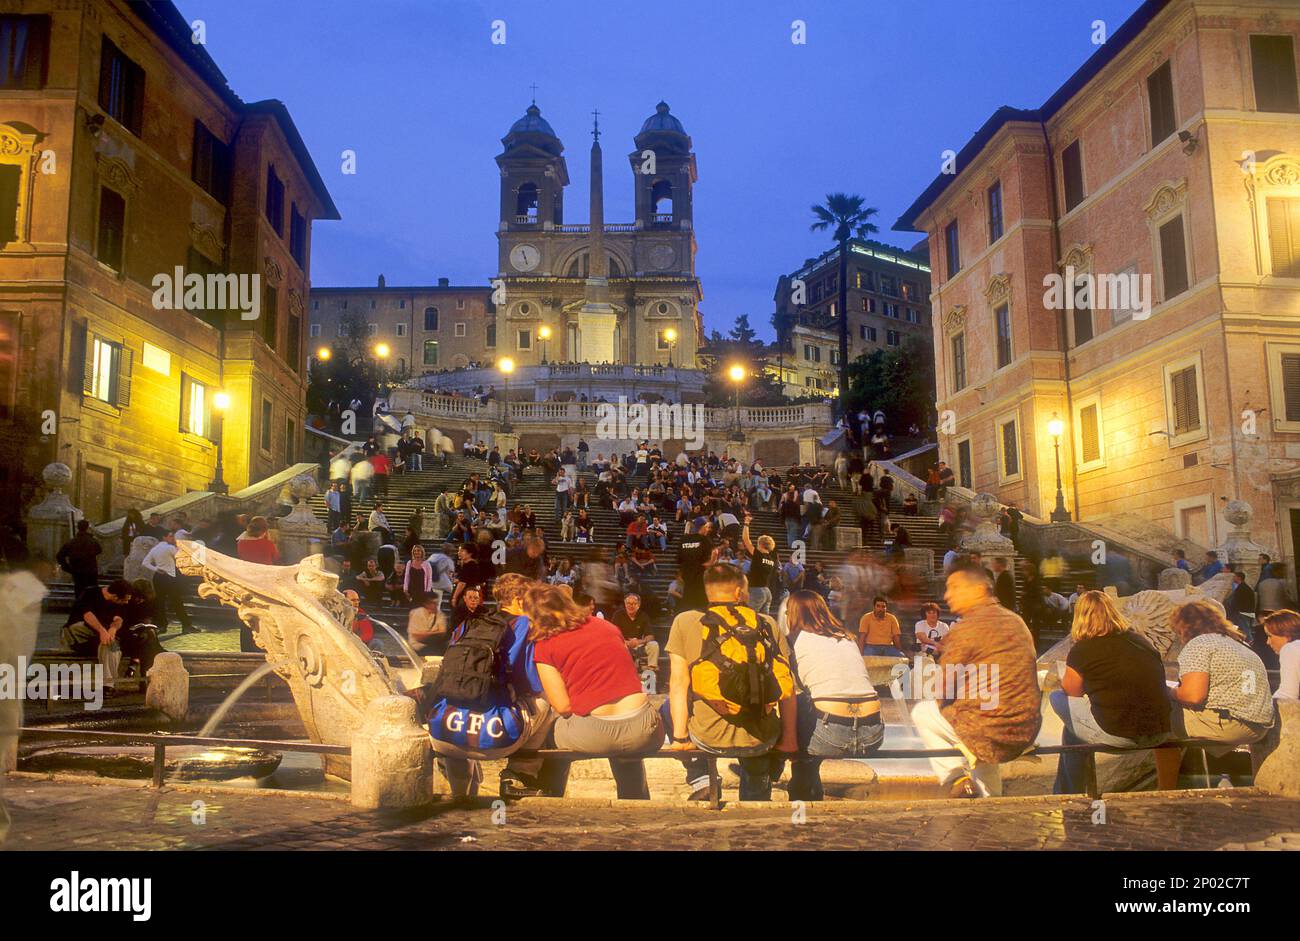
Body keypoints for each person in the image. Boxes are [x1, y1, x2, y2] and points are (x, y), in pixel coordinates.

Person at [664, 563, 797, 801]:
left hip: (708, 738)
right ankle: (756, 793)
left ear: (708, 591)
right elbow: (787, 687)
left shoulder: (684, 622)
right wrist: (788, 739)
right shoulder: (767, 623)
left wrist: (680, 739)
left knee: (666, 705)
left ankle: (702, 780)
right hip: (760, 739)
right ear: (739, 593)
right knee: (761, 741)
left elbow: (677, 685)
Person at [910, 565, 1041, 798]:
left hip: (990, 732)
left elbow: (944, 689)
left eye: (955, 588)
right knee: (977, 712)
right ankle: (989, 795)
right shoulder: (1015, 621)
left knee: (923, 711)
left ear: (979, 589)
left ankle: (956, 778)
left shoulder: (967, 628)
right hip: (1025, 729)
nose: (947, 595)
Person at [526, 583, 663, 799]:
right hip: (644, 727)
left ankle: (550, 797)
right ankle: (635, 798)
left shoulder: (545, 643)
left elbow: (562, 706)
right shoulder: (607, 627)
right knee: (625, 749)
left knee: (550, 733)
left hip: (595, 733)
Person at [425, 574, 554, 800]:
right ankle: (519, 774)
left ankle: (460, 795)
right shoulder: (525, 625)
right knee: (546, 700)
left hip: (443, 733)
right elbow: (531, 684)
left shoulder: (469, 622)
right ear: (519, 599)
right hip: (496, 739)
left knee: (460, 700)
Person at [1049, 591, 1171, 794]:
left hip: (1120, 735)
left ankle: (1069, 794)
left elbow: (1072, 693)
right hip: (1159, 733)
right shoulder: (1141, 642)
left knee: (1059, 702)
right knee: (1073, 730)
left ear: (1080, 616)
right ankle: (1067, 792)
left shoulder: (1083, 650)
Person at [776, 590, 883, 800]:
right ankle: (806, 787)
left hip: (830, 735)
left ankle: (781, 777)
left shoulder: (792, 641)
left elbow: (785, 688)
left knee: (793, 702)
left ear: (793, 614)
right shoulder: (847, 637)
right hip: (873, 733)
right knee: (814, 702)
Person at [1159, 600, 1273, 782]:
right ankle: (1219, 778)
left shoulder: (1200, 644)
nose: (1179, 636)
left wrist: (1167, 690)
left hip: (1230, 725)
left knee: (1161, 722)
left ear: (1185, 626)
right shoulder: (1242, 645)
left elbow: (1193, 696)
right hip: (1258, 727)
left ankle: (1165, 790)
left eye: (1178, 630)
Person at [61, 578, 134, 660]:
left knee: (111, 646)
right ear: (115, 597)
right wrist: (101, 631)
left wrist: (113, 629)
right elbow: (88, 615)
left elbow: (119, 619)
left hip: (102, 634)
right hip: (82, 631)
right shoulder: (90, 593)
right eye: (125, 600)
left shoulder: (120, 603)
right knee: (76, 628)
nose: (126, 602)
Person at [140, 531, 195, 634]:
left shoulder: (155, 549)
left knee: (160, 602)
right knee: (176, 602)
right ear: (164, 537)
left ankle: (162, 626)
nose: (172, 538)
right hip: (170, 577)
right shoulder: (169, 548)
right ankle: (186, 625)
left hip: (158, 577)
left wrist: (156, 569)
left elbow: (145, 563)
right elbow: (179, 557)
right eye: (170, 536)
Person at [610, 593, 658, 672]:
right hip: (623, 644)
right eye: (628, 603)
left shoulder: (643, 616)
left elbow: (650, 636)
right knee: (615, 645)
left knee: (654, 645)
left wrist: (639, 641)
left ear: (638, 605)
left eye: (634, 604)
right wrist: (626, 642)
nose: (631, 606)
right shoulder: (618, 615)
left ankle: (652, 670)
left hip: (638, 644)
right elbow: (613, 634)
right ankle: (620, 669)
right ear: (625, 604)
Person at [56, 520, 103, 598]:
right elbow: (99, 550)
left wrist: (67, 568)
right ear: (87, 528)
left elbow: (59, 556)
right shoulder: (93, 541)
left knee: (79, 593)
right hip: (90, 572)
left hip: (77, 571)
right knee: (92, 594)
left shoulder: (71, 542)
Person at [1262, 609, 1300, 701]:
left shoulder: (1290, 649)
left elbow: (1287, 694)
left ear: (1286, 634)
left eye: (1270, 636)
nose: (1268, 642)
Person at [1224, 569, 1257, 644]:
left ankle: (1250, 642)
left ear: (1239, 578)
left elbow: (1237, 601)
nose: (1233, 578)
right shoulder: (1243, 587)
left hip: (1243, 612)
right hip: (1245, 611)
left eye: (1234, 576)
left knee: (1246, 630)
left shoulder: (1242, 588)